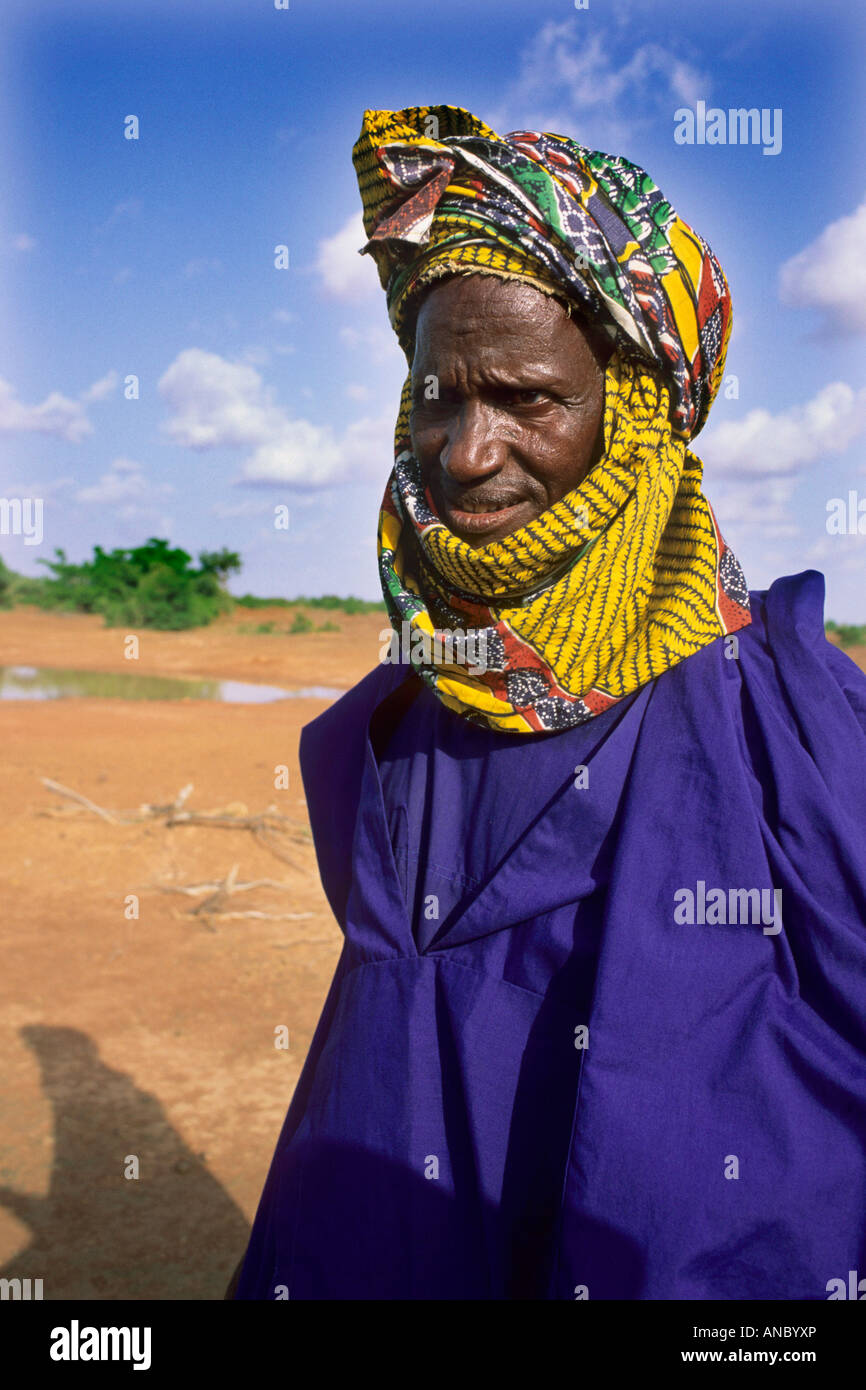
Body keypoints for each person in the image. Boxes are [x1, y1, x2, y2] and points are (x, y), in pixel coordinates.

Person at [229, 105, 866, 1301]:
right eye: (436, 395)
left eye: (527, 398)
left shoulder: (794, 733)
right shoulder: (406, 714)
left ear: (631, 414)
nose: (465, 454)